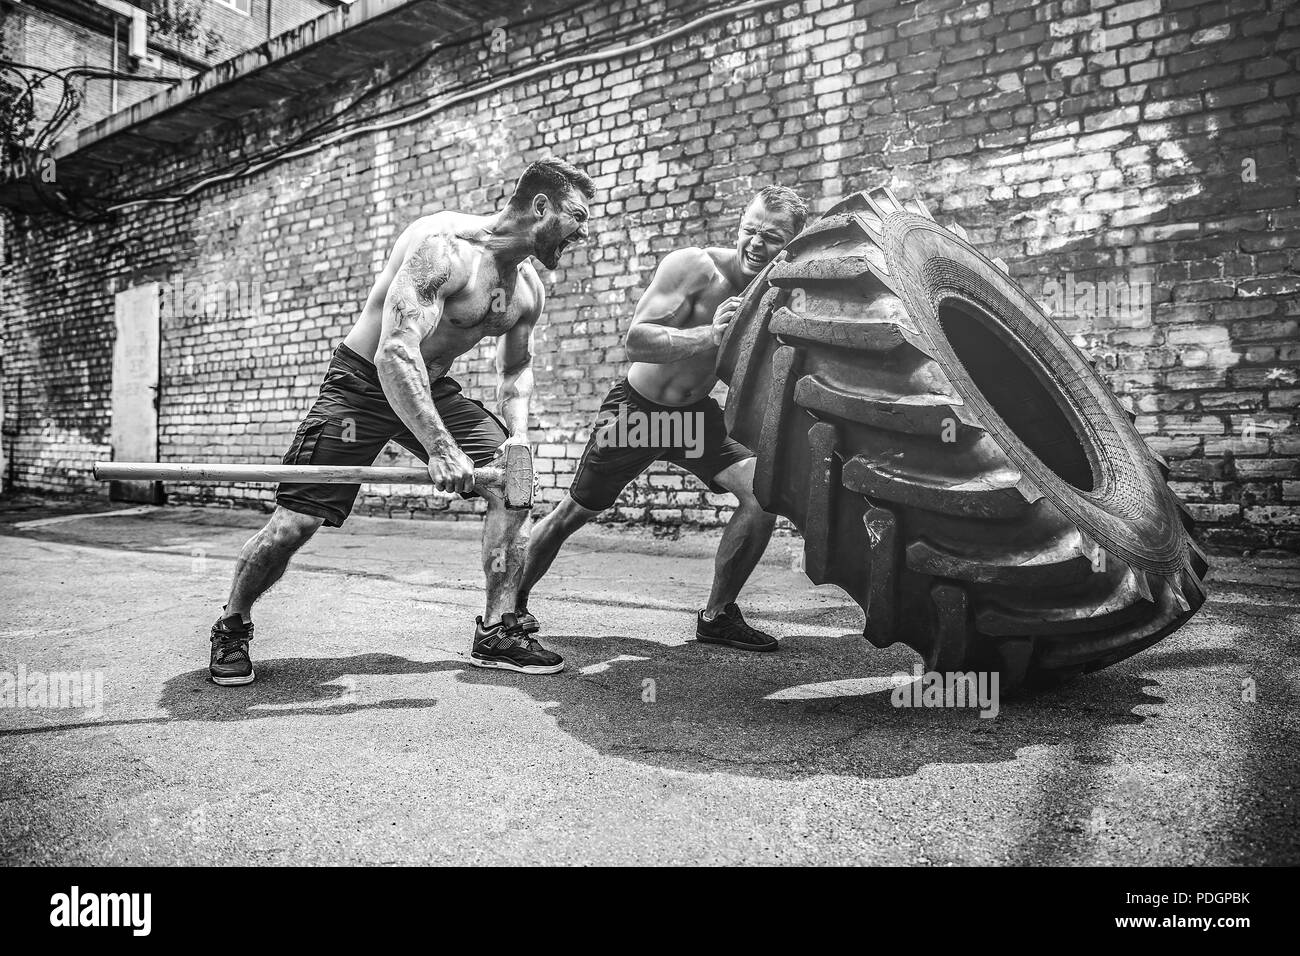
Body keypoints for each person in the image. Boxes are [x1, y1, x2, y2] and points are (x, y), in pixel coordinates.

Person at [208, 158, 595, 685]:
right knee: (296, 522)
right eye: (577, 216)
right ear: (541, 206)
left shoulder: (527, 288)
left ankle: (498, 628)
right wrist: (439, 446)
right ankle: (232, 623)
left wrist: (519, 441)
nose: (584, 231)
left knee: (515, 484)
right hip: (364, 384)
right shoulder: (444, 246)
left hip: (431, 386)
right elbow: (394, 352)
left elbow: (517, 367)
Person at [519, 185, 808, 651]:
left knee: (763, 495)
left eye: (771, 237)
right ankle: (509, 607)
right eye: (749, 230)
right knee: (575, 512)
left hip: (695, 416)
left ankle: (716, 616)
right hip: (638, 411)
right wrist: (711, 335)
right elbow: (637, 341)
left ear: (792, 244)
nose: (756, 243)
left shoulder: (777, 295)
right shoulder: (694, 266)